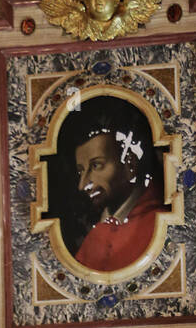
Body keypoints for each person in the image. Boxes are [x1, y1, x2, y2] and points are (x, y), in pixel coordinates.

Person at [70, 113, 163, 271]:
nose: (83, 185)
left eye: (96, 166)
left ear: (130, 165)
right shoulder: (97, 233)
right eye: (81, 171)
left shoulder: (158, 225)